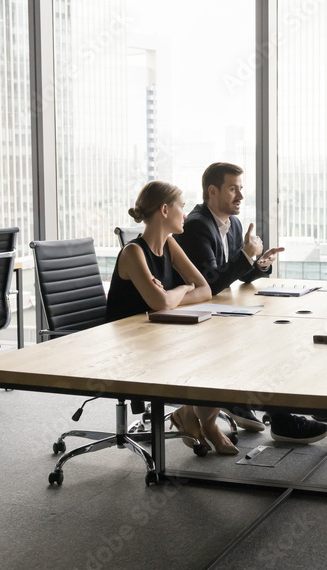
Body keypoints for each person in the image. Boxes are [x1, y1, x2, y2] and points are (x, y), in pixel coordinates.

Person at [175, 162, 327, 444]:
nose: (241, 196)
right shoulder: (196, 226)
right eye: (233, 189)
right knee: (264, 344)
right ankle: (277, 417)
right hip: (190, 317)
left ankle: (246, 404)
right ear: (212, 190)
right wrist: (245, 255)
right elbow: (209, 284)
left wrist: (258, 264)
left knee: (273, 332)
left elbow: (232, 273)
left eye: (241, 189)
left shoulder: (232, 224)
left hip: (218, 311)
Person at [105, 181, 238, 456]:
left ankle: (193, 416)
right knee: (210, 354)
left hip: (157, 335)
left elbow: (204, 289)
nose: (186, 215)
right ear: (165, 210)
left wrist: (176, 292)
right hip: (129, 347)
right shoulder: (133, 252)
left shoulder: (170, 244)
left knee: (221, 348)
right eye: (182, 207)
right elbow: (161, 302)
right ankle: (204, 423)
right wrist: (182, 289)